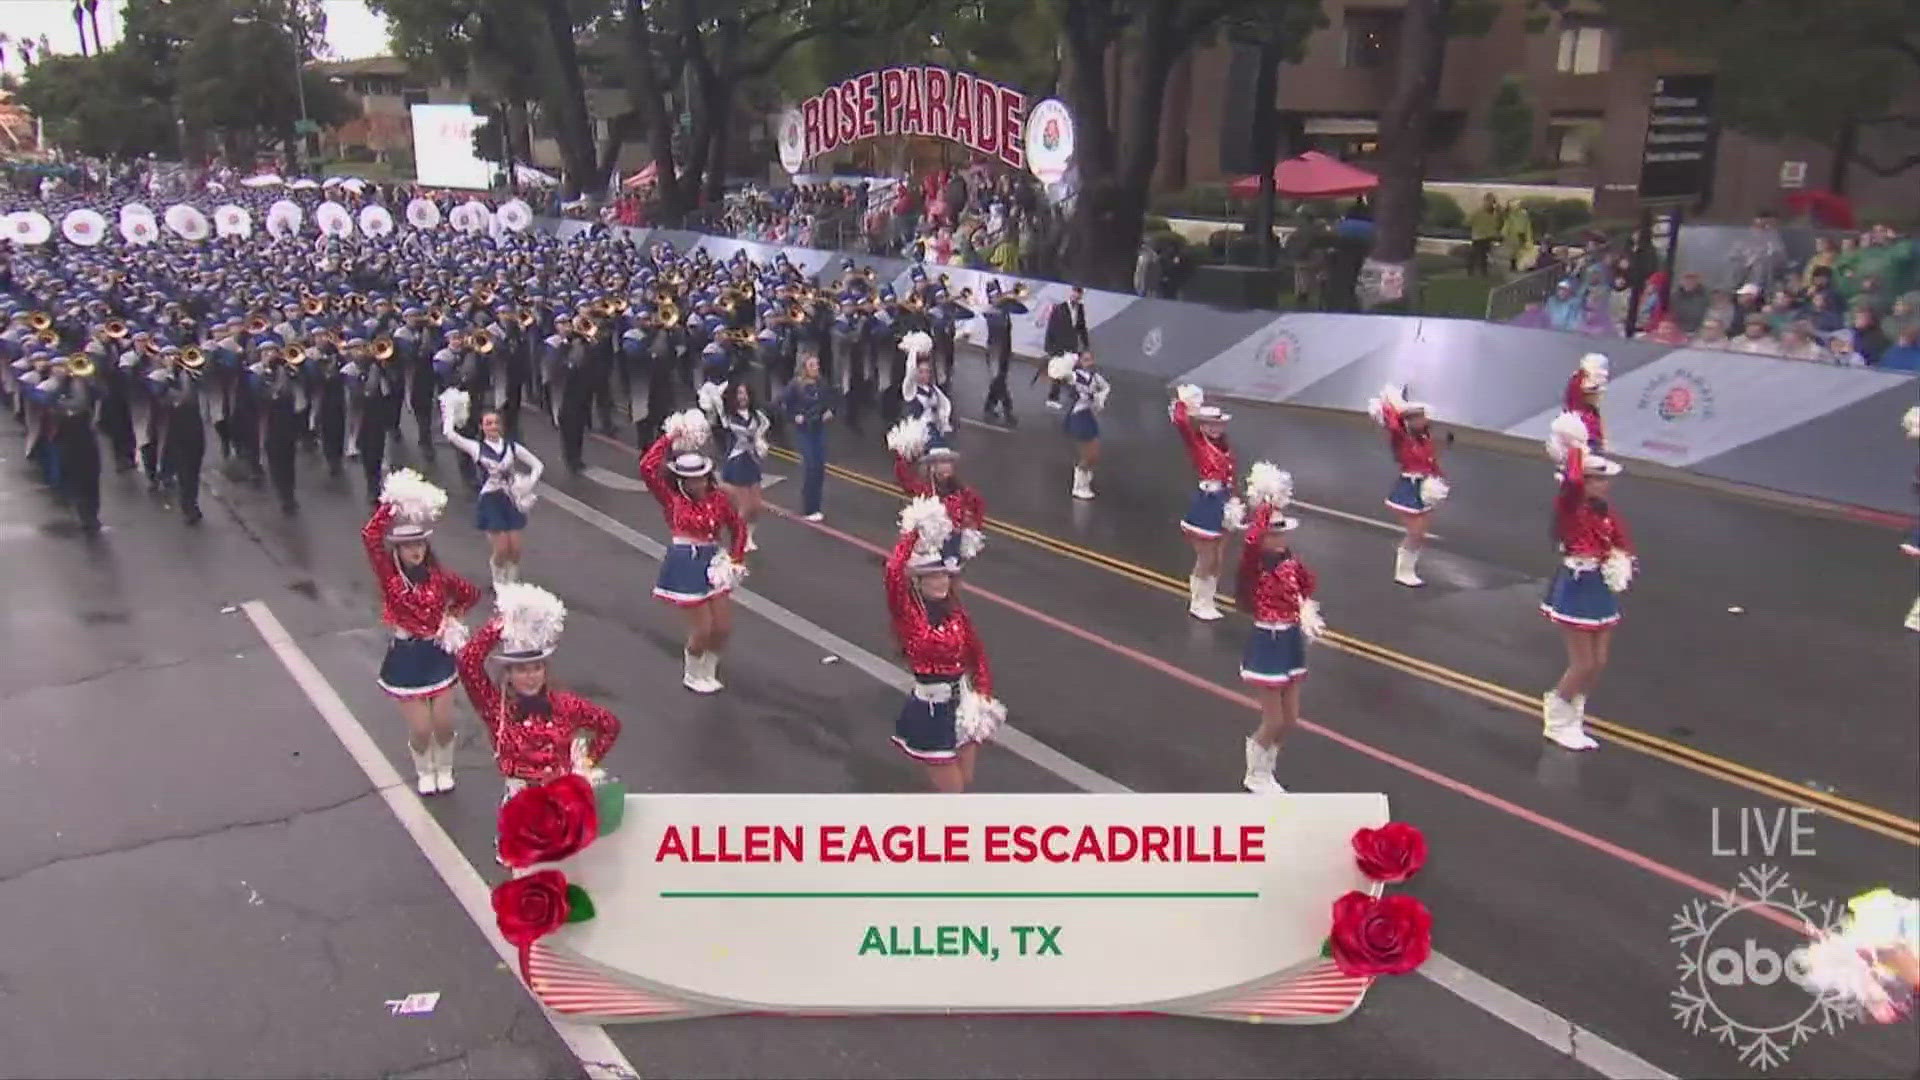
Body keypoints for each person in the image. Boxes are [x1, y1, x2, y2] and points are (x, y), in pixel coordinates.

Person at [362, 472, 481, 794]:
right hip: (406, 657)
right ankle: (424, 770)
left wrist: (451, 618)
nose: (415, 550)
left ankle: (444, 767)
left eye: (419, 544)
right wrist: (392, 502)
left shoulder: (439, 576)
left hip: (437, 652)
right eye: (407, 545)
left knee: (443, 725)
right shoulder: (389, 575)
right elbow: (370, 536)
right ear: (397, 550)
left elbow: (470, 593)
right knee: (421, 728)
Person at [457, 583, 622, 810]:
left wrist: (585, 763)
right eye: (522, 670)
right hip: (519, 807)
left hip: (562, 804)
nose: (530, 676)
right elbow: (467, 661)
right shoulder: (496, 707)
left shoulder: (566, 705)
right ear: (509, 674)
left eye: (536, 668)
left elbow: (609, 725)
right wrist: (504, 624)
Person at [885, 498, 1003, 793]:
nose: (940, 581)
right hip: (932, 711)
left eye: (944, 575)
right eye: (932, 576)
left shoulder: (956, 612)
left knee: (964, 782)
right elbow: (892, 572)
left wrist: (983, 694)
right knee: (954, 792)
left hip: (962, 706)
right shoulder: (909, 614)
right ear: (919, 581)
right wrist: (913, 530)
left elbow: (977, 653)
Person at [1540, 421, 1635, 752]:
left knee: (1598, 662)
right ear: (1584, 481)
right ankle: (1556, 719)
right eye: (1598, 478)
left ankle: (1573, 717)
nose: (1605, 484)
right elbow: (1571, 482)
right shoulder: (1570, 506)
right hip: (1577, 587)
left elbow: (1622, 542)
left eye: (1606, 479)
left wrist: (1619, 562)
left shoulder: (1605, 511)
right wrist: (1575, 450)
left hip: (1600, 586)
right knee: (1583, 663)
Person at [639, 410, 750, 693]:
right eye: (690, 479)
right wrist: (672, 435)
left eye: (701, 477)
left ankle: (709, 670)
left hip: (713, 562)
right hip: (685, 564)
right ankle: (692, 672)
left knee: (723, 627)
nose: (697, 483)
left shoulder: (718, 499)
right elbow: (647, 467)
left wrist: (736, 559)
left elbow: (738, 528)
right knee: (702, 629)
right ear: (680, 480)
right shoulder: (672, 499)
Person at [1234, 467, 1321, 793]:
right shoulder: (1254, 567)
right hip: (1267, 641)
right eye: (1273, 533)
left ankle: (1267, 769)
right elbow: (1251, 545)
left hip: (1290, 640)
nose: (1279, 538)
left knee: (1291, 719)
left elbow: (1308, 587)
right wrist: (1265, 510)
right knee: (1273, 720)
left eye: (1282, 533)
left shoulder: (1291, 562)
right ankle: (1253, 774)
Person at [440, 391, 544, 588]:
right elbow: (450, 435)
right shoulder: (476, 448)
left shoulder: (512, 447)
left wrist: (529, 483)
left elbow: (538, 465)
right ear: (482, 427)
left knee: (516, 548)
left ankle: (512, 583)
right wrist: (450, 411)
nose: (493, 427)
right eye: (488, 424)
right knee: (502, 548)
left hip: (511, 500)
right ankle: (499, 582)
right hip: (490, 500)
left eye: (496, 423)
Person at [1170, 384, 1237, 619]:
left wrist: (1234, 502)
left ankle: (1209, 599)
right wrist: (1183, 403)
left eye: (1218, 424)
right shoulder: (1197, 442)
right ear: (1201, 425)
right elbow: (1180, 422)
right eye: (1209, 424)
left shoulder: (1225, 445)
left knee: (1219, 555)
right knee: (1206, 555)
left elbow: (1230, 474)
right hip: (1207, 502)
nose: (1214, 428)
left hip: (1224, 501)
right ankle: (1197, 602)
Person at [1369, 384, 1446, 587]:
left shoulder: (1424, 437)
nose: (1422, 420)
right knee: (1416, 532)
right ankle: (1403, 571)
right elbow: (1391, 420)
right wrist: (1393, 403)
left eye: (1422, 416)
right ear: (1407, 420)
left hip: (1425, 485)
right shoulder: (1401, 436)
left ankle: (1408, 569)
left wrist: (1437, 480)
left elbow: (1430, 460)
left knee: (1421, 533)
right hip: (1409, 486)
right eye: (1416, 417)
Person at [890, 421, 986, 565]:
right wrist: (903, 456)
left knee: (953, 579)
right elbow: (905, 480)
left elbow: (978, 505)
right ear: (932, 467)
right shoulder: (926, 489)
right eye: (941, 462)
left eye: (948, 462)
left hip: (954, 545)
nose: (945, 466)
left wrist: (972, 526)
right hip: (932, 547)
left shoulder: (961, 490)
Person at [707, 379, 770, 551]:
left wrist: (761, 444)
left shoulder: (757, 416)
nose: (743, 397)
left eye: (745, 393)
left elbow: (760, 434)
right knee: (744, 506)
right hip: (736, 462)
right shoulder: (727, 417)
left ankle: (749, 536)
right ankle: (739, 538)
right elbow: (715, 402)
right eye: (739, 393)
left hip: (752, 461)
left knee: (756, 506)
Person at [781, 353, 838, 522]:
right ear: (805, 368)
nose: (816, 368)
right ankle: (809, 507)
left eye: (817, 365)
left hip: (819, 427)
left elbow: (832, 400)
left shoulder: (822, 383)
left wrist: (830, 412)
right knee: (810, 465)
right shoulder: (795, 385)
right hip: (805, 429)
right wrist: (794, 417)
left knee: (819, 466)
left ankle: (817, 505)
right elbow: (784, 404)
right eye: (812, 365)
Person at [1060, 350, 1110, 501]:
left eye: (1091, 359)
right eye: (1086, 360)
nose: (1089, 363)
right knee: (1089, 454)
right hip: (1078, 416)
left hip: (1088, 415)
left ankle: (1083, 475)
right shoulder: (1076, 376)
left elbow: (1106, 387)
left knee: (1094, 454)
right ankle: (1079, 486)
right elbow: (1064, 376)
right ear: (1080, 362)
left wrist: (1099, 399)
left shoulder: (1095, 377)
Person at [1040, 286, 1090, 409]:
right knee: (1059, 373)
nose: (1076, 297)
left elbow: (1081, 328)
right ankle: (1053, 398)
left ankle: (1074, 395)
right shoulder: (1059, 308)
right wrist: (1050, 347)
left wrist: (1086, 344)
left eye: (1079, 295)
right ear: (1071, 293)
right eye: (1075, 294)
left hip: (1072, 345)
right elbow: (1051, 328)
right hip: (1060, 346)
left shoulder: (1080, 309)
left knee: (1072, 371)